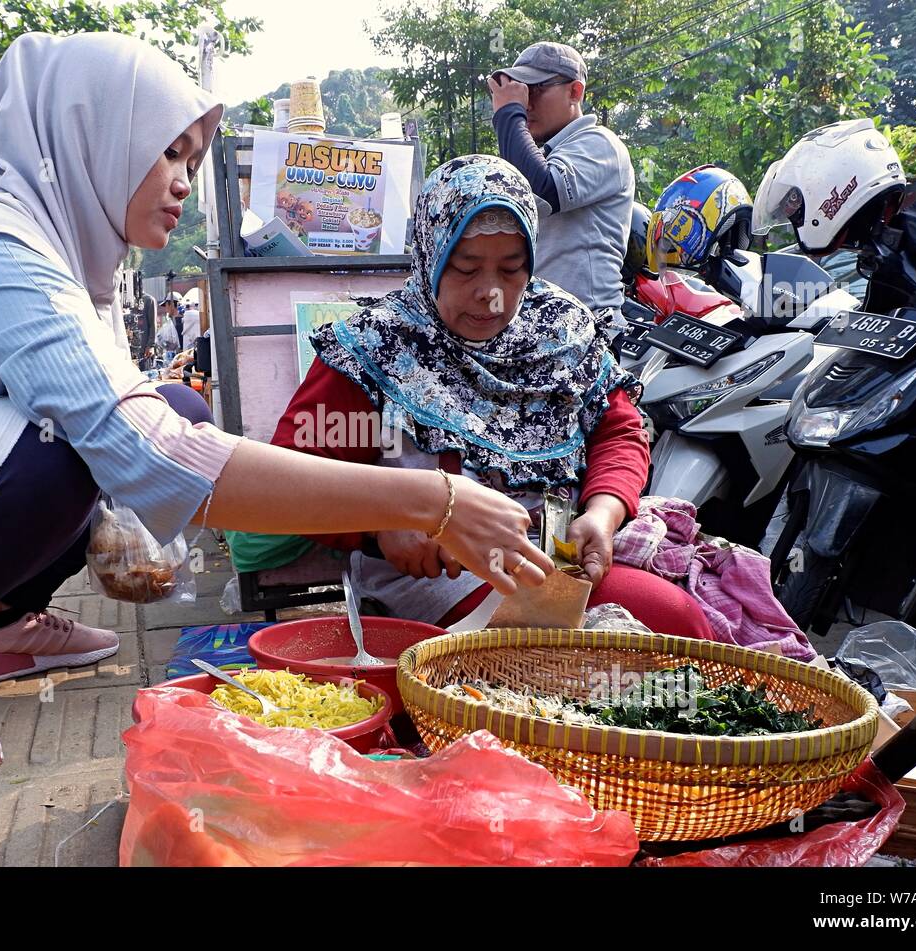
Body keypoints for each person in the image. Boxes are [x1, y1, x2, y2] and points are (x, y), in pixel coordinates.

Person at [0, 33, 550, 783]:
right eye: (168, 152)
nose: (182, 181)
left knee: (168, 401)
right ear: (90, 137)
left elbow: (161, 429)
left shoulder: (41, 239)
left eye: (191, 157)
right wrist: (432, 500)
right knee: (75, 441)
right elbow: (154, 458)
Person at [229, 155, 712, 637]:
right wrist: (379, 526)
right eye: (465, 268)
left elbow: (618, 428)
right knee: (534, 648)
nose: (490, 293)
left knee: (680, 622)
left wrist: (603, 512)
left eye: (511, 269)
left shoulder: (562, 330)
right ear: (431, 255)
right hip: (443, 579)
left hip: (558, 558)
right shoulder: (375, 347)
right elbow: (291, 484)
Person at [487, 42, 634, 338]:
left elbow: (541, 193)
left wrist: (509, 115)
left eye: (535, 90)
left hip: (588, 330)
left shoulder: (599, 142)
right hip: (544, 325)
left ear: (575, 91)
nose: (526, 103)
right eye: (521, 92)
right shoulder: (546, 154)